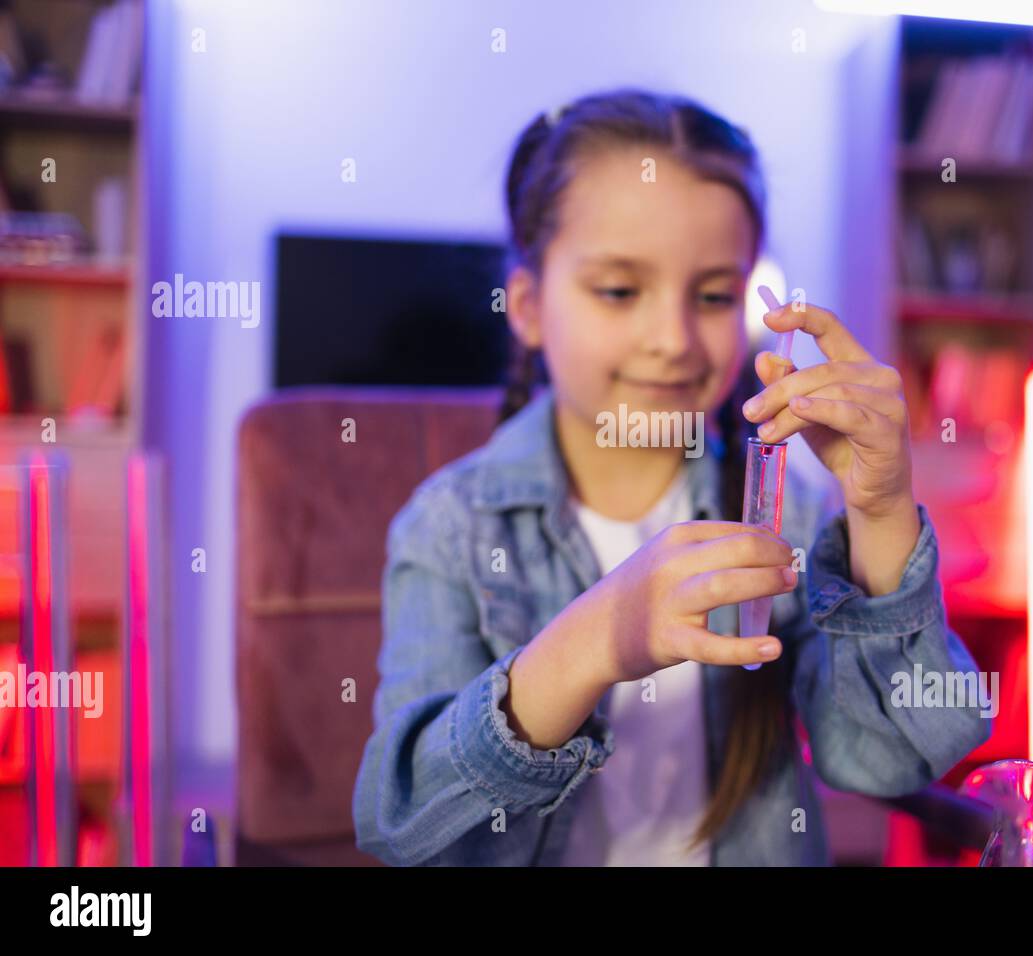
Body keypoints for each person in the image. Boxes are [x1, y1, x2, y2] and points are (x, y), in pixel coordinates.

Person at [352, 88, 992, 866]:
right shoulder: (450, 528)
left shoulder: (785, 509)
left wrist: (883, 513)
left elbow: (886, 758)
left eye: (716, 295)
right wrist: (589, 643)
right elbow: (399, 823)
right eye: (619, 290)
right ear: (525, 305)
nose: (673, 338)